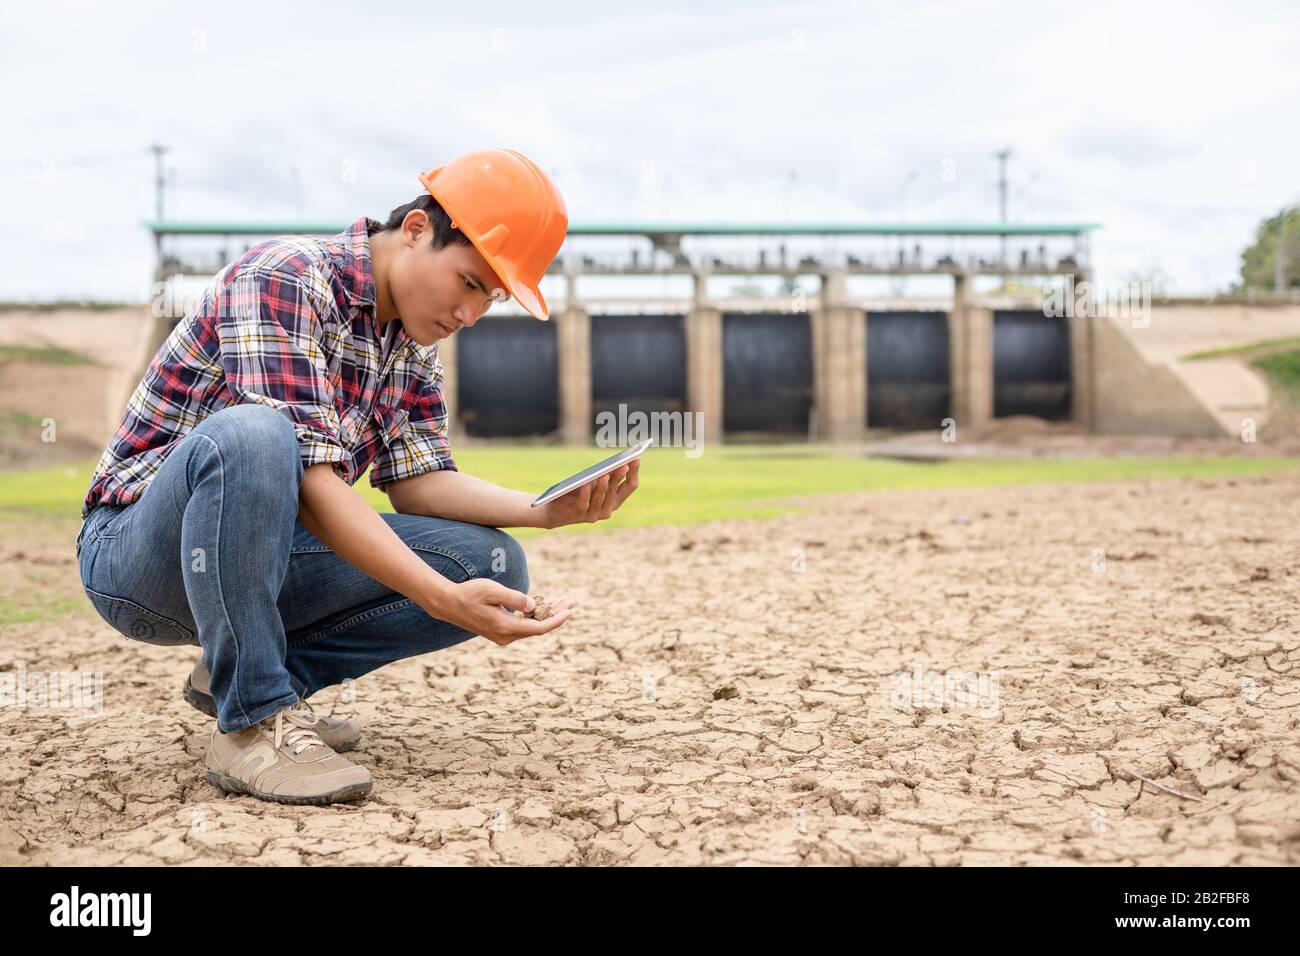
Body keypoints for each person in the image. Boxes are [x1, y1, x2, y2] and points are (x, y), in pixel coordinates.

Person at [75, 148, 640, 806]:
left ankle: (243, 677)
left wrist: (546, 510)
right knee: (258, 434)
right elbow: (314, 485)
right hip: (141, 558)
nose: (468, 315)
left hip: (263, 554)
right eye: (468, 282)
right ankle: (254, 719)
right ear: (418, 229)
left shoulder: (412, 346)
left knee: (489, 560)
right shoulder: (286, 275)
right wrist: (436, 597)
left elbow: (421, 481)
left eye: (489, 298)